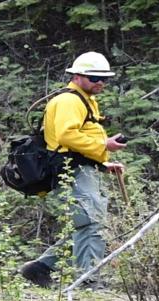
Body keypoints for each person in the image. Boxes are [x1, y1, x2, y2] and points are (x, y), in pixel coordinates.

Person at [19, 52, 126, 288]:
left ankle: (40, 268)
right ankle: (88, 281)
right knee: (91, 223)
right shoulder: (69, 101)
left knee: (85, 222)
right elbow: (67, 136)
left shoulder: (83, 100)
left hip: (79, 168)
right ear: (77, 76)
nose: (101, 83)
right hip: (71, 170)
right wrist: (103, 145)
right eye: (95, 77)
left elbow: (74, 141)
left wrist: (103, 162)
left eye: (104, 78)